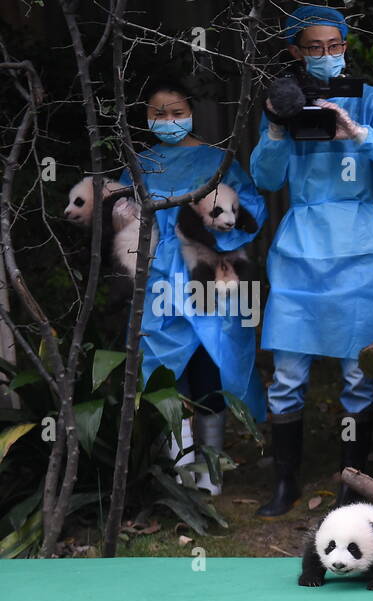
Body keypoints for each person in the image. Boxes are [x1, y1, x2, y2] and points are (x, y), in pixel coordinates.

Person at [250, 4, 373, 517]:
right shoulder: (287, 99)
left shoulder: (370, 100)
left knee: (356, 372)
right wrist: (278, 127)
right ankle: (285, 482)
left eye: (335, 46)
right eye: (314, 48)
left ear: (345, 47)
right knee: (288, 373)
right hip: (300, 248)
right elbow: (265, 178)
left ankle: (352, 484)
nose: (326, 56)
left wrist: (358, 134)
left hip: (362, 247)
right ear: (296, 51)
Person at [124, 76, 267, 495]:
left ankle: (212, 468)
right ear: (146, 118)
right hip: (155, 279)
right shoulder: (139, 162)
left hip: (209, 276)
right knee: (166, 371)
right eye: (158, 114)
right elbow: (118, 212)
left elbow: (248, 208)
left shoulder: (218, 161)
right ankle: (181, 468)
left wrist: (214, 233)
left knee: (211, 363)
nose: (168, 120)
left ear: (191, 113)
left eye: (177, 113)